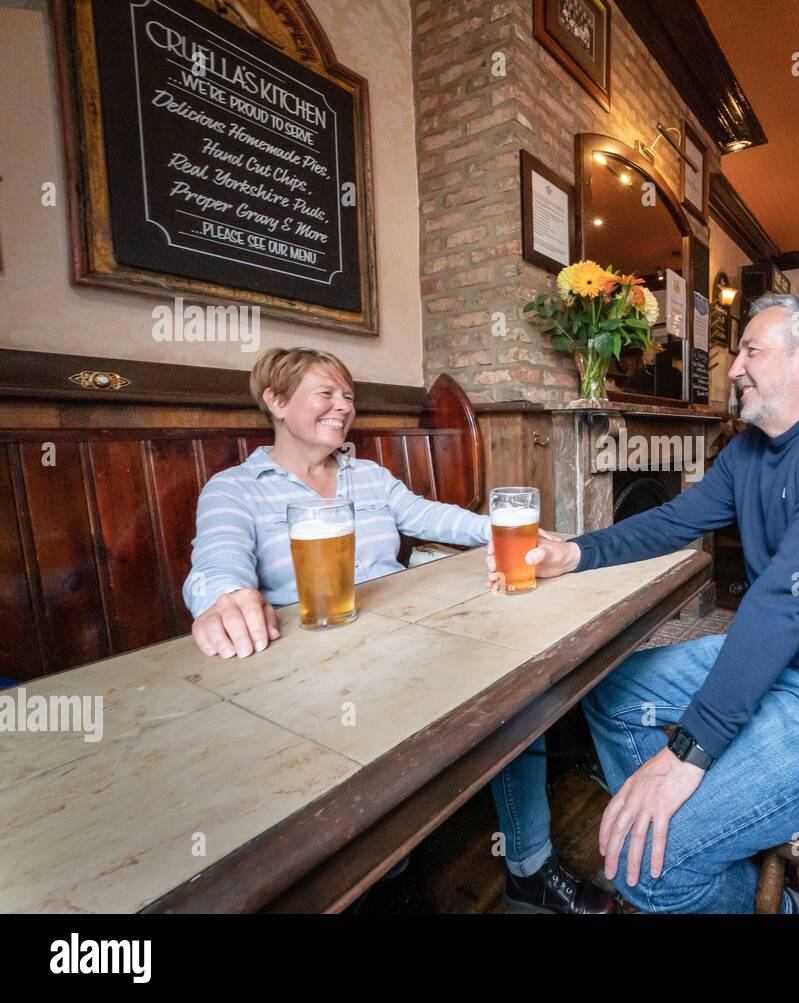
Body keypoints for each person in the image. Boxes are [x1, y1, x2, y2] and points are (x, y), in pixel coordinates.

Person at [487, 293, 799, 913]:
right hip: (797, 667)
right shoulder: (748, 450)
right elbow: (673, 520)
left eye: (750, 351)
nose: (733, 368)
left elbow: (788, 598)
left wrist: (689, 754)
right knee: (611, 692)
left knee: (648, 873)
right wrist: (574, 552)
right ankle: (685, 831)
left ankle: (711, 871)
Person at [182, 347, 614, 915]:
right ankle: (387, 881)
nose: (343, 408)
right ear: (277, 402)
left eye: (349, 398)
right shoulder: (235, 488)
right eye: (326, 394)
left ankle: (528, 869)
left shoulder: (368, 475)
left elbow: (437, 517)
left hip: (410, 637)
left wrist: (527, 534)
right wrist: (223, 597)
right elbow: (214, 560)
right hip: (312, 665)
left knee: (517, 689)